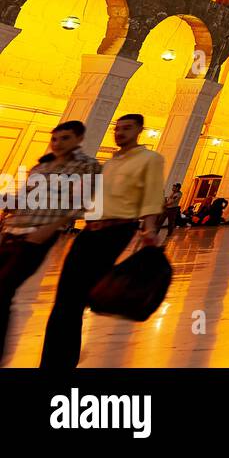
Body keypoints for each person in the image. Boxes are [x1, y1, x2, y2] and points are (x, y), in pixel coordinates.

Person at [40, 113, 165, 368]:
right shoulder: (109, 163)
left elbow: (152, 195)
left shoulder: (149, 159)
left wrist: (149, 228)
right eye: (117, 128)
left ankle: (57, 363)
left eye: (127, 128)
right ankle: (57, 360)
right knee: (66, 298)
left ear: (140, 130)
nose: (120, 133)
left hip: (116, 231)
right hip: (90, 231)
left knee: (73, 299)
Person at [0, 121, 101, 365]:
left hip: (38, 235)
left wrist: (51, 228)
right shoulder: (42, 165)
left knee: (5, 288)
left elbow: (82, 203)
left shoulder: (87, 166)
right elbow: (25, 198)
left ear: (78, 139)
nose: (57, 144)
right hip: (13, 231)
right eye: (55, 139)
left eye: (65, 138)